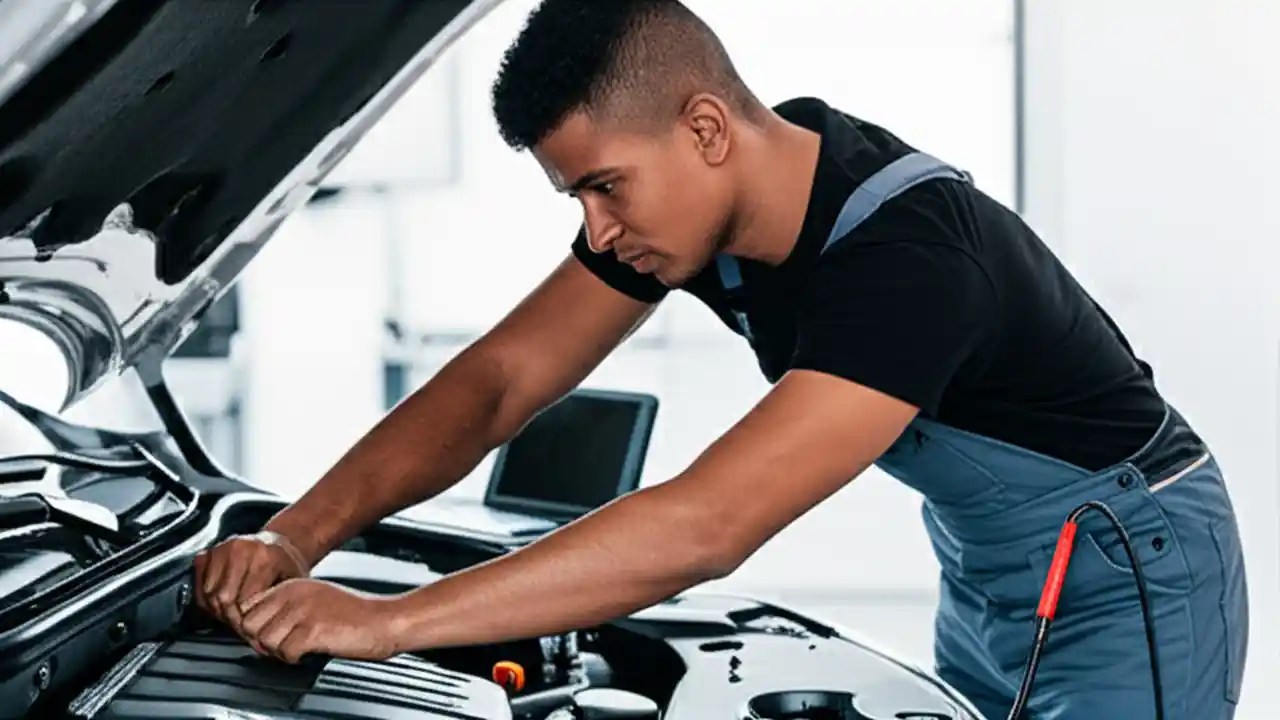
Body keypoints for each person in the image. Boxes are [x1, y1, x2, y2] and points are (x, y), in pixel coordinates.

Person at [192, 1, 1248, 717]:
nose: (597, 231)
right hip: (988, 568)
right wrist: (294, 536)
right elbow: (497, 382)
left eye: (604, 186)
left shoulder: (908, 256)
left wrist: (390, 625)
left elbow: (706, 525)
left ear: (704, 128)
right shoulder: (720, 202)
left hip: (1128, 562)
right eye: (576, 199)